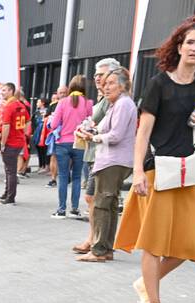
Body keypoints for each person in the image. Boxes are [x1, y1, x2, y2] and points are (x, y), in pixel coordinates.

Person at [115, 15, 195, 303]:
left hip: (192, 171)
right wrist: (138, 171)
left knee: (187, 245)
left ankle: (145, 283)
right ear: (179, 46)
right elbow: (143, 132)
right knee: (154, 243)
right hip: (160, 171)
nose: (194, 48)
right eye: (190, 42)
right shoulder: (159, 84)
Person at [77, 67, 136, 263]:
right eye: (105, 83)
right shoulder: (116, 104)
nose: (105, 86)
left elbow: (116, 135)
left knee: (102, 203)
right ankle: (106, 248)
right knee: (109, 204)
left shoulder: (123, 104)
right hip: (112, 160)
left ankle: (99, 250)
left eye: (111, 83)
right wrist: (92, 132)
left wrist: (94, 138)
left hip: (113, 161)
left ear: (123, 85)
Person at [73, 60, 121, 243]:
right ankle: (97, 240)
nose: (97, 78)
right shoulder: (103, 99)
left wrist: (90, 133)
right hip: (97, 155)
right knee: (97, 199)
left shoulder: (114, 100)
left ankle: (97, 242)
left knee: (98, 200)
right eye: (96, 75)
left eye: (102, 75)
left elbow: (109, 130)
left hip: (105, 156)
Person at [47, 74, 91, 218]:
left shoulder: (63, 102)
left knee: (63, 176)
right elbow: (91, 125)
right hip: (80, 143)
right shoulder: (88, 103)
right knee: (77, 177)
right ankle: (75, 209)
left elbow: (53, 125)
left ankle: (61, 210)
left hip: (63, 143)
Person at [0, 82, 30, 204]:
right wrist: (23, 133)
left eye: (4, 90)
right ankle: (7, 193)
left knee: (10, 170)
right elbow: (28, 121)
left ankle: (10, 196)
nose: (2, 92)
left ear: (11, 91)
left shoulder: (9, 107)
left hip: (11, 142)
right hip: (19, 140)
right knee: (10, 170)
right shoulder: (20, 105)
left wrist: (3, 143)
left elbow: (6, 126)